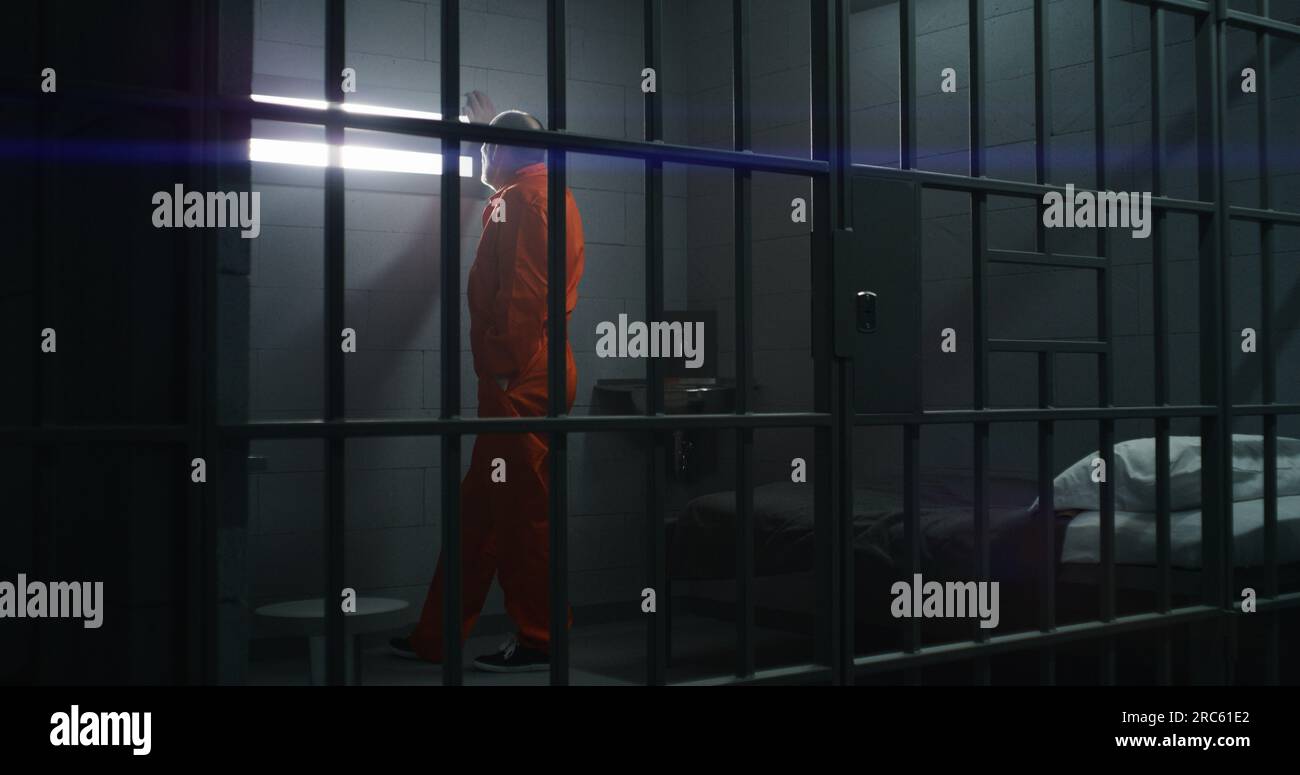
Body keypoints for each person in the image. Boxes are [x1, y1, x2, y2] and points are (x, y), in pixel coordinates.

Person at [390, 92, 585, 672]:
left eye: (484, 147)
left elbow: (524, 292)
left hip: (519, 376)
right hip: (525, 371)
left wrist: (501, 368)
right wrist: (494, 132)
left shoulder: (527, 199)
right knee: (480, 513)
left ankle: (542, 638)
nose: (477, 154)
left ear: (508, 152)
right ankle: (438, 634)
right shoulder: (532, 193)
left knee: (522, 513)